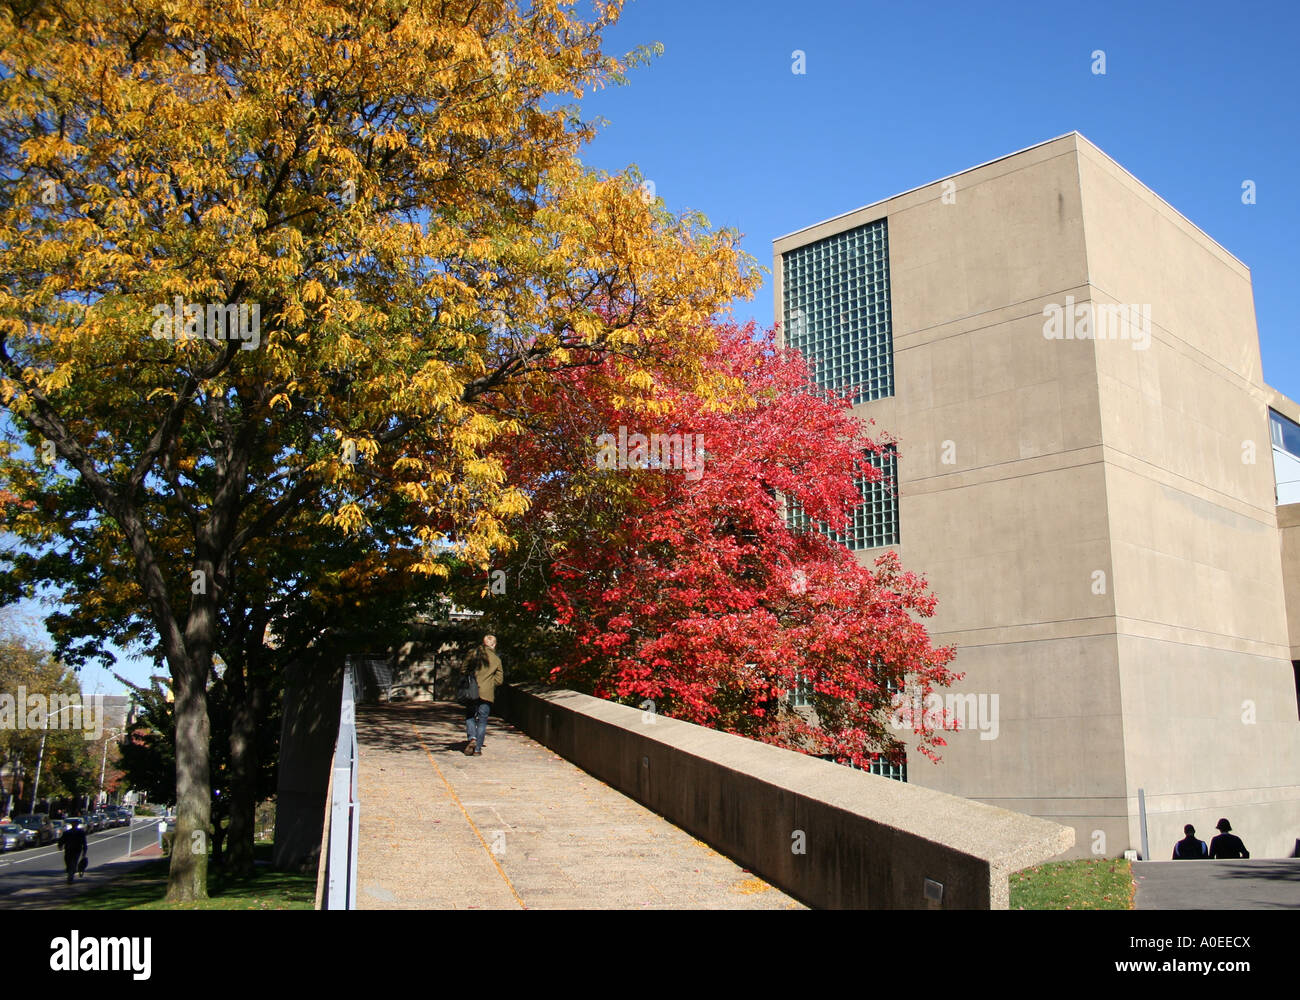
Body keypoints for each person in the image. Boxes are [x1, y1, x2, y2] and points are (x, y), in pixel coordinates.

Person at [462, 635, 503, 756]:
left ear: (483, 643)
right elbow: (499, 680)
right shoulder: (496, 659)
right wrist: (490, 683)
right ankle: (478, 749)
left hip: (472, 690)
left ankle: (472, 738)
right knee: (482, 720)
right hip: (487, 693)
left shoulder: (473, 653)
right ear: (494, 645)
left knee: (470, 716)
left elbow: (463, 669)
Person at [58, 817, 87, 884]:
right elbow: (62, 840)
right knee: (68, 862)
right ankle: (70, 871)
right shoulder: (67, 832)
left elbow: (84, 842)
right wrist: (60, 845)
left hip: (76, 850)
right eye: (73, 824)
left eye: (75, 824)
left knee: (73, 862)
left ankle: (71, 875)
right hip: (68, 849)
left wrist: (84, 851)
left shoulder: (80, 832)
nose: (74, 825)